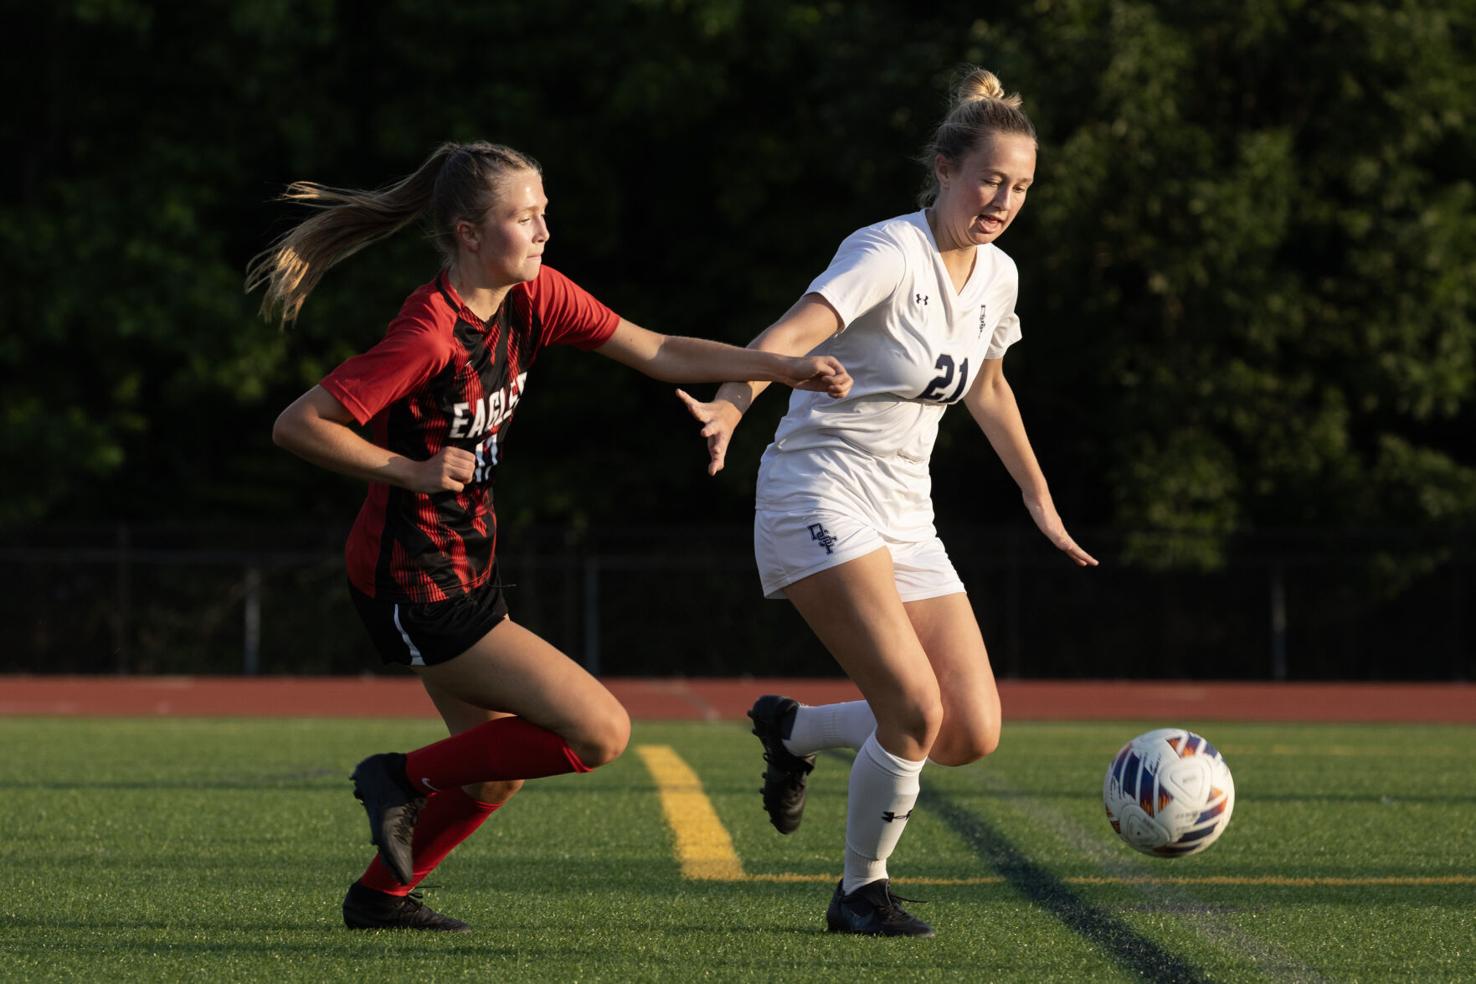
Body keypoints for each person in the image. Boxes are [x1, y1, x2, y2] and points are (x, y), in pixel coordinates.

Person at [246, 141, 852, 932]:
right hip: (412, 580)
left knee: (495, 773)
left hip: (465, 566)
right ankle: (396, 777)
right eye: (524, 217)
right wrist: (409, 470)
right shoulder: (430, 335)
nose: (544, 231)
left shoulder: (534, 297)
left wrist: (782, 367)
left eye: (544, 212)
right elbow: (299, 424)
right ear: (469, 234)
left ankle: (378, 897)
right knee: (600, 730)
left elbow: (659, 350)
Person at [678, 69, 1097, 937]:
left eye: (1021, 187)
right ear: (944, 169)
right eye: (989, 180)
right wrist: (731, 404)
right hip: (817, 491)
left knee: (968, 730)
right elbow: (785, 338)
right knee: (913, 708)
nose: (1004, 201)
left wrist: (1040, 496)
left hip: (907, 514)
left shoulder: (998, 275)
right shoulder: (888, 252)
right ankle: (860, 892)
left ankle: (794, 731)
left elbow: (988, 386)